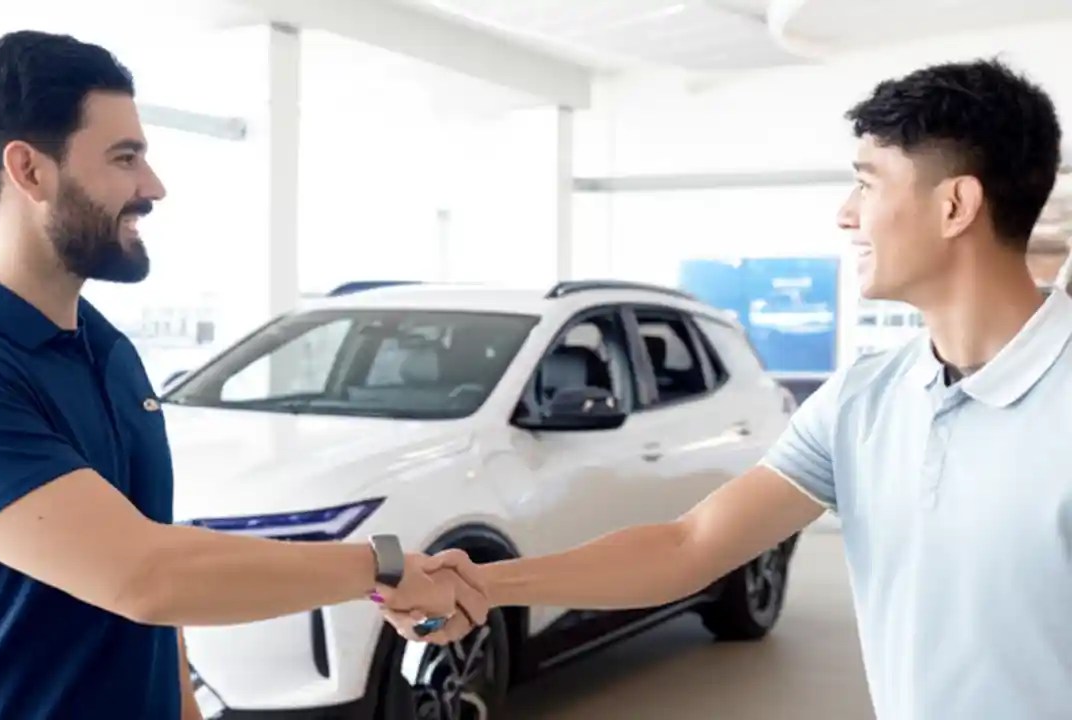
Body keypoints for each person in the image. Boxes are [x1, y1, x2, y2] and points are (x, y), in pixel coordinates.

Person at [391, 58, 1072, 720]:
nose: (845, 214)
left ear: (955, 205)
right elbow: (690, 546)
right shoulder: (861, 401)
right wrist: (487, 584)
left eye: (867, 184)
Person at [0, 30, 485, 720]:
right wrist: (380, 566)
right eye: (125, 158)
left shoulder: (110, 352)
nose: (152, 187)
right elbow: (143, 574)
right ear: (29, 171)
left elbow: (157, 597)